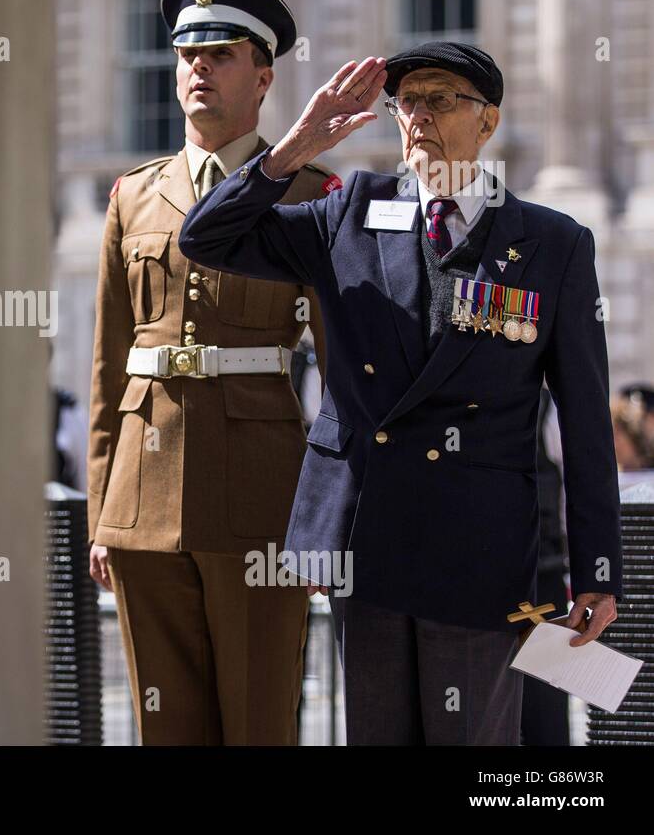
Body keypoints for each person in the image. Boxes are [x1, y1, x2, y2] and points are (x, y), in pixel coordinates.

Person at [178, 45, 623, 744]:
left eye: (441, 99)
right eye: (406, 102)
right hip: (369, 537)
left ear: (488, 121)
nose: (418, 117)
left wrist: (597, 569)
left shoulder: (550, 242)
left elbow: (587, 418)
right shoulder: (349, 211)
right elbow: (205, 238)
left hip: (482, 549)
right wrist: (293, 147)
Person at [86, 0, 334, 745]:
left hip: (261, 496)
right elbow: (106, 363)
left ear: (262, 77)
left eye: (220, 54)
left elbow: (346, 382)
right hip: (140, 498)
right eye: (187, 55)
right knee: (165, 729)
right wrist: (101, 513)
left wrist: (328, 519)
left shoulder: (312, 196)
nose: (198, 68)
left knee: (260, 723)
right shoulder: (133, 195)